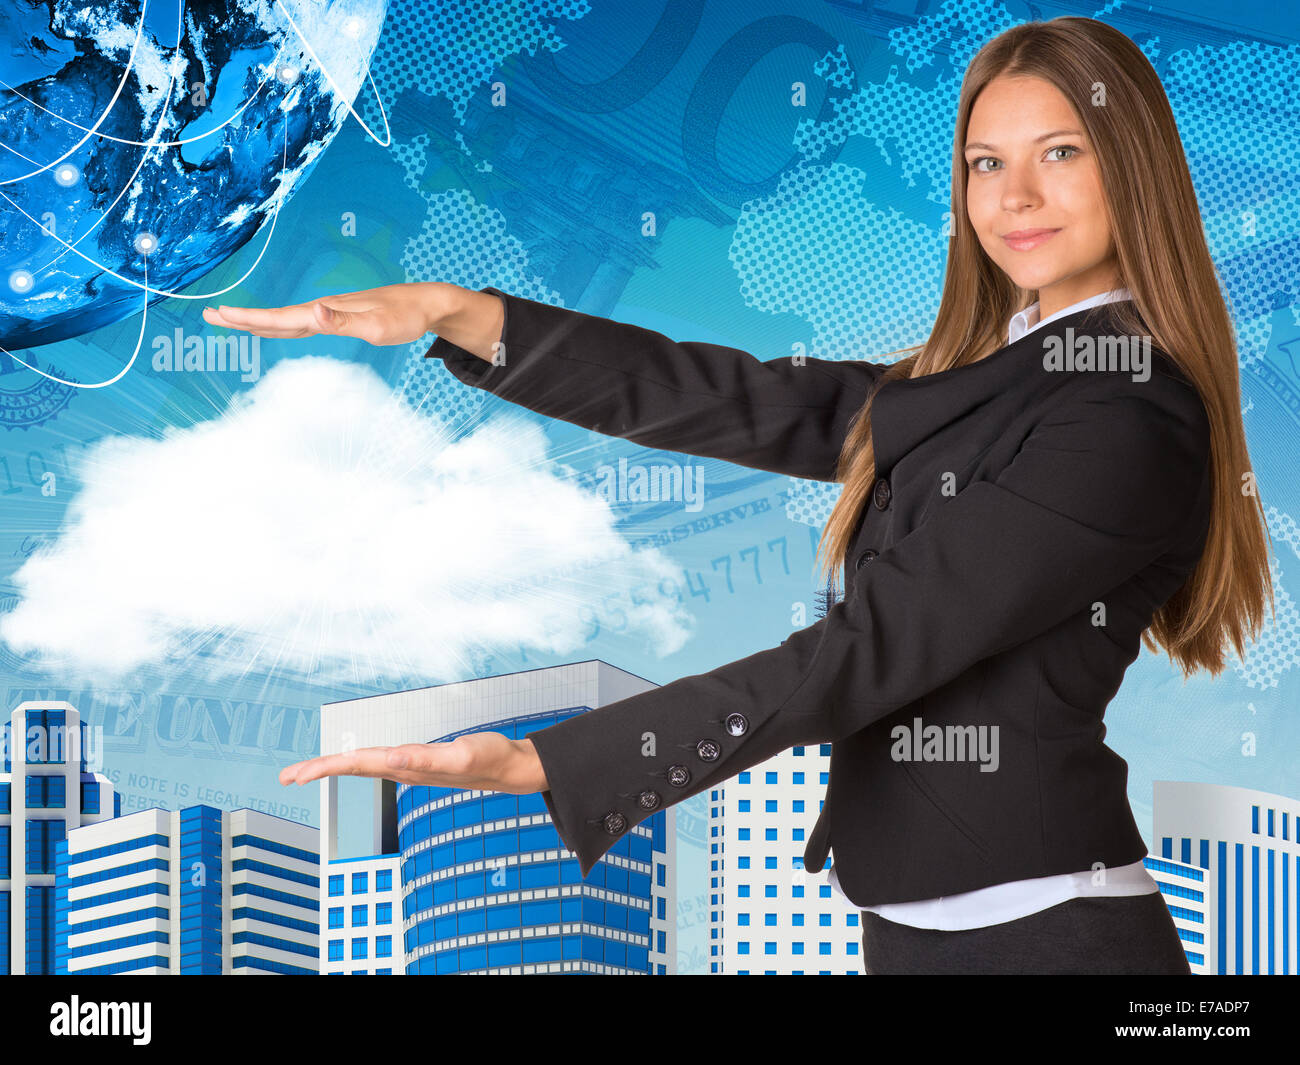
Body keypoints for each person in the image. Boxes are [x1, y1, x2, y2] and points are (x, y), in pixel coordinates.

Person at [202, 16, 1273, 974]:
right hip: (913, 925)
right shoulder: (993, 374)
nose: (1015, 197)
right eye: (986, 162)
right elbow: (748, 403)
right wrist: (464, 313)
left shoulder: (1125, 416)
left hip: (1047, 937)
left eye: (1060, 154)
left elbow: (874, 647)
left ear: (1132, 169)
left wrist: (554, 759)